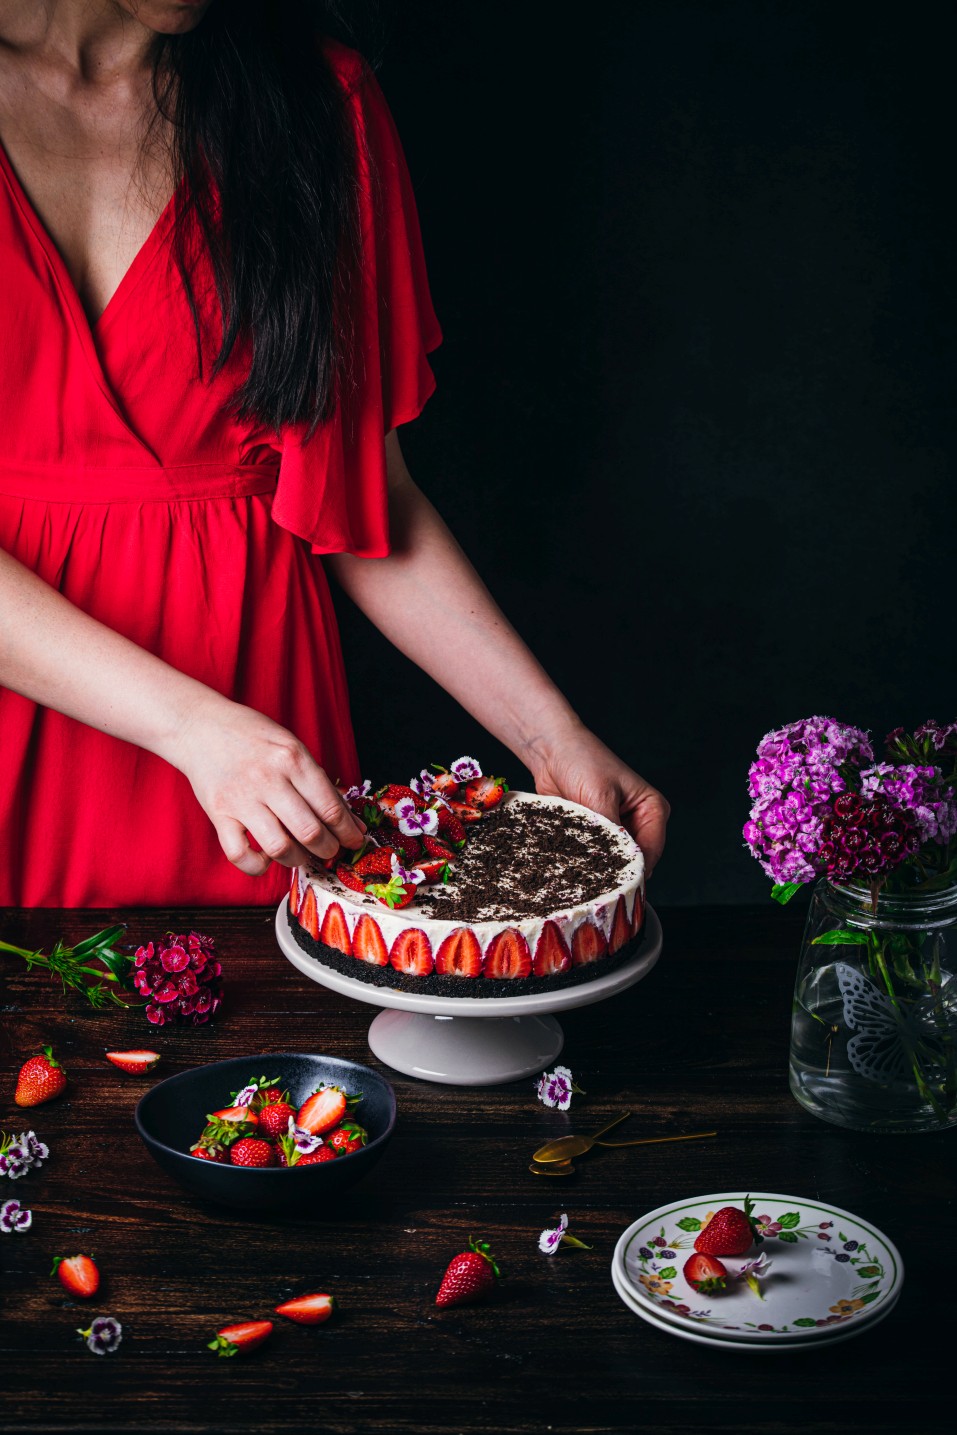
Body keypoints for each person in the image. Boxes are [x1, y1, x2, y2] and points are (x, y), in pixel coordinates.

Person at [0, 0, 669, 908]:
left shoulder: (317, 103)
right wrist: (193, 728)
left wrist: (551, 736)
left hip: (258, 774)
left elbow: (365, 505)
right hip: (116, 735)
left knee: (277, 1046)